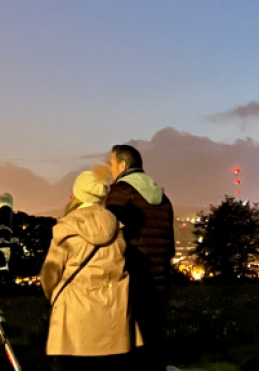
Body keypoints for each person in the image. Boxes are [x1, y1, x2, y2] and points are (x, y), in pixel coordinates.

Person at [41, 168, 138, 371]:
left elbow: (50, 274)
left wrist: (53, 297)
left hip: (73, 322)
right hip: (113, 320)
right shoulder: (117, 230)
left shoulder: (66, 228)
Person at [104, 144, 175, 371]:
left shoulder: (122, 191)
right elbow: (170, 244)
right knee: (154, 340)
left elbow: (105, 231)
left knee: (131, 344)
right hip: (160, 278)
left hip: (132, 276)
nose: (110, 169)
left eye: (111, 164)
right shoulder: (162, 197)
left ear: (123, 165)